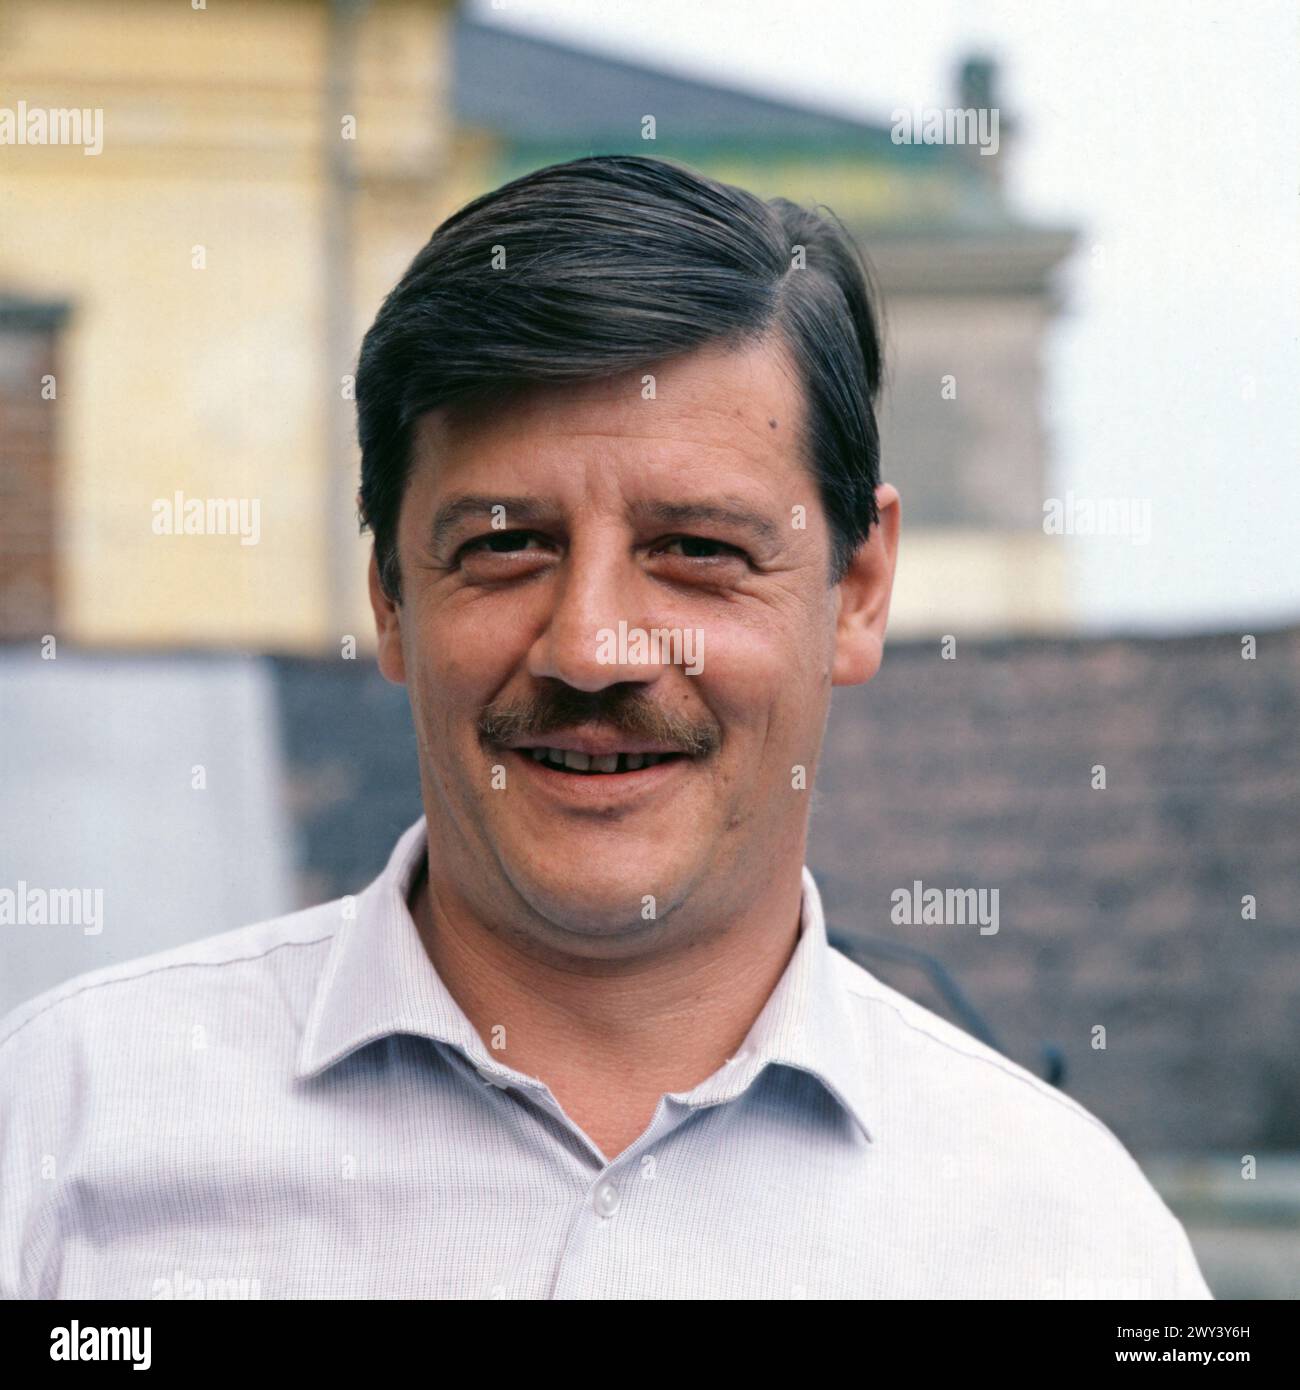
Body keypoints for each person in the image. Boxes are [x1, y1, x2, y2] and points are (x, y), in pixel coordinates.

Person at [0, 155, 1210, 1299]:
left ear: (858, 590)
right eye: (504, 546)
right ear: (390, 598)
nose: (591, 648)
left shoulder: (1067, 1239)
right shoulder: (64, 1133)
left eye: (697, 551)